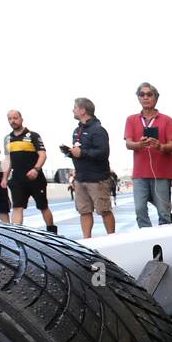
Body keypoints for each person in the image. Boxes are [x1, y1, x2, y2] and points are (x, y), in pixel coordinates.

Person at [124, 82, 172, 227]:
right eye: (142, 94)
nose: (145, 97)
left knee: (164, 212)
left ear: (156, 98)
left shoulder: (167, 120)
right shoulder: (131, 119)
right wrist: (138, 144)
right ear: (138, 98)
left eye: (149, 94)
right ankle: (146, 238)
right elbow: (128, 143)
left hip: (161, 172)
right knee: (140, 209)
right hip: (140, 173)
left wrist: (160, 146)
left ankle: (165, 240)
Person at [62, 97, 114, 239]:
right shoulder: (76, 130)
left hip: (97, 179)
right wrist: (70, 152)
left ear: (83, 110)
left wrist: (82, 153)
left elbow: (104, 153)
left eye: (75, 107)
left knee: (104, 210)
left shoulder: (98, 130)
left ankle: (112, 238)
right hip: (81, 177)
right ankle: (87, 241)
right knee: (84, 211)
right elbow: (80, 152)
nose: (73, 110)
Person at [4, 109, 57, 233]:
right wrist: (4, 178)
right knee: (17, 207)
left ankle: (52, 233)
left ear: (21, 119)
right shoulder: (7, 138)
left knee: (43, 206)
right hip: (17, 179)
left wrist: (36, 169)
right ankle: (17, 236)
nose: (13, 121)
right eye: (10, 119)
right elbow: (8, 160)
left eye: (15, 118)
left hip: (35, 178)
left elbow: (42, 154)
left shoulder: (33, 135)